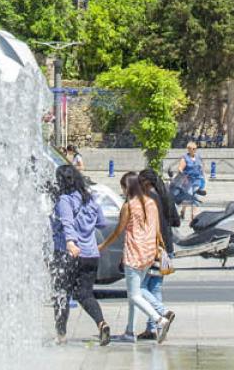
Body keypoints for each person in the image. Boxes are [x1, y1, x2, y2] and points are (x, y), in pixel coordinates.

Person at [100, 173, 175, 344]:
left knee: (134, 295)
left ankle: (160, 318)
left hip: (134, 254)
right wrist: (159, 248)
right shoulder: (151, 203)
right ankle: (129, 331)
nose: (123, 191)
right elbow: (156, 231)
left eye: (123, 188)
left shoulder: (129, 206)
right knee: (137, 291)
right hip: (149, 254)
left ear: (128, 188)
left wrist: (103, 245)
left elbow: (118, 231)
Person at [51, 164, 110, 346]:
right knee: (85, 294)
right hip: (91, 254)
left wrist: (70, 241)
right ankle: (102, 323)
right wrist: (86, 227)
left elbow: (67, 222)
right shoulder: (89, 199)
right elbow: (102, 223)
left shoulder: (64, 200)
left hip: (69, 253)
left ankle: (61, 335)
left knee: (62, 293)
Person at [176, 142, 206, 224]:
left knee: (195, 197)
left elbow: (202, 167)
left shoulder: (198, 157)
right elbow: (180, 169)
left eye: (195, 148)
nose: (195, 150)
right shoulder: (185, 158)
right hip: (188, 180)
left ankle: (193, 216)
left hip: (197, 180)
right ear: (189, 149)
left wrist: (204, 177)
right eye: (193, 149)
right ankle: (183, 211)